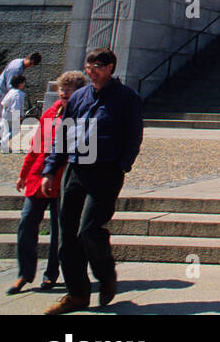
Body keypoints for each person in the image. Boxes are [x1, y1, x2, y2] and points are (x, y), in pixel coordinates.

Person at [40, 47, 143, 315]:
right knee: (67, 236)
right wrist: (51, 170)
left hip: (106, 171)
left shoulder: (126, 98)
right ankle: (77, 294)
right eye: (88, 66)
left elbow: (134, 135)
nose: (91, 71)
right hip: (76, 169)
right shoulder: (79, 97)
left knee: (89, 229)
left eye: (97, 65)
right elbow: (63, 134)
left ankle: (105, 272)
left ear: (110, 67)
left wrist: (122, 165)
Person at [8, 70, 84, 294]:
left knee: (59, 230)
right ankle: (24, 273)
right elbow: (35, 146)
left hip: (63, 180)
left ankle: (51, 274)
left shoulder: (83, 117)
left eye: (69, 91)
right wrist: (23, 173)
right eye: (62, 91)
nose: (64, 95)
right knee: (27, 222)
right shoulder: (50, 113)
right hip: (38, 177)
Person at [0, 75, 27, 152]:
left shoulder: (10, 91)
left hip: (5, 112)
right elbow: (16, 106)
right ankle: (2, 143)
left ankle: (3, 145)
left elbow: (3, 102)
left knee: (6, 130)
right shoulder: (18, 94)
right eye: (23, 83)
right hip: (13, 114)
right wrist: (18, 116)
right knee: (15, 130)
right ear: (20, 84)